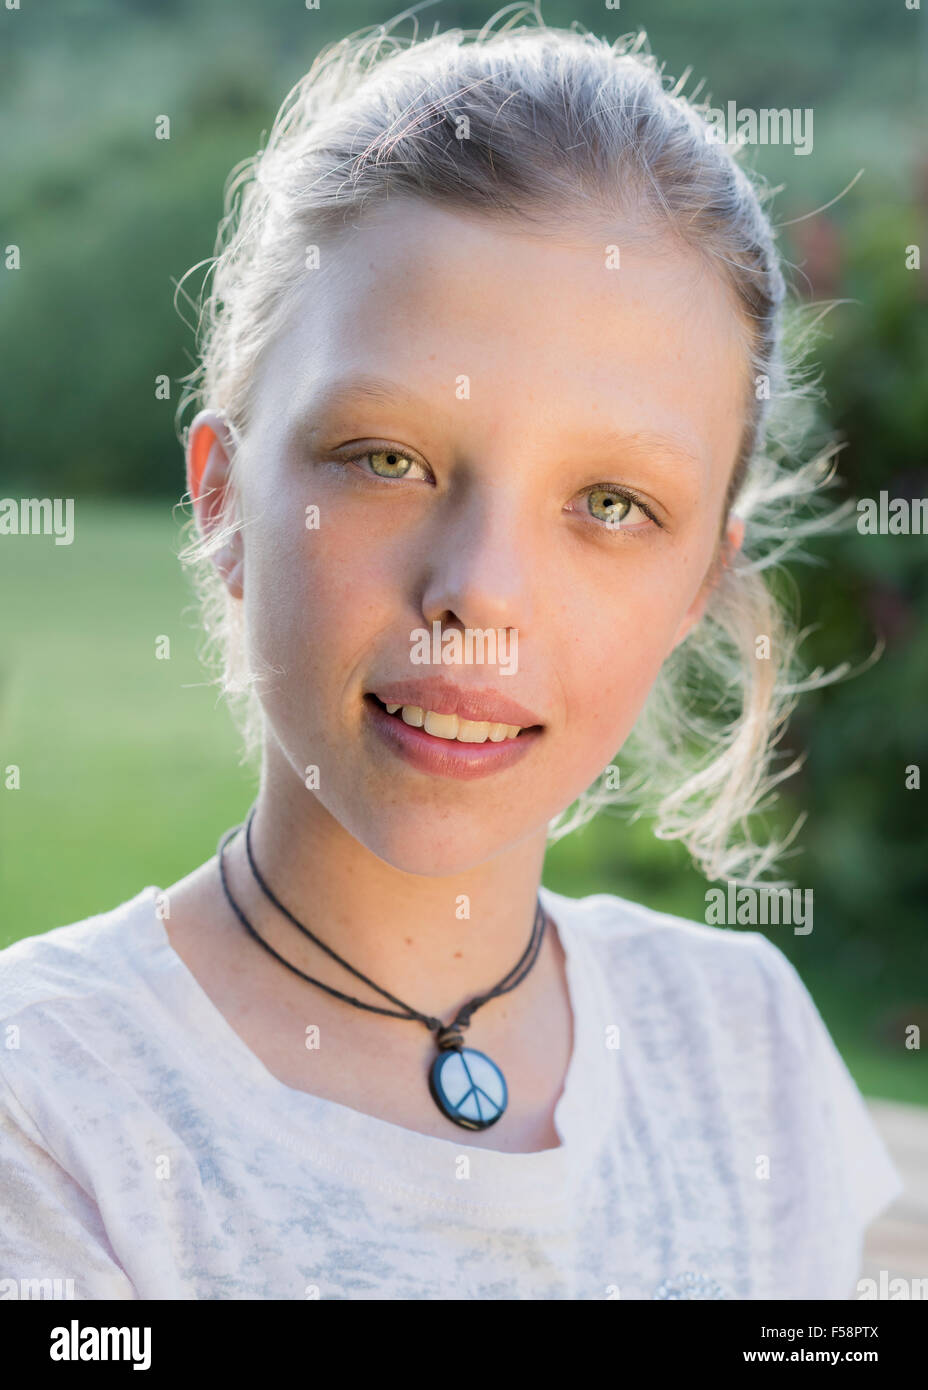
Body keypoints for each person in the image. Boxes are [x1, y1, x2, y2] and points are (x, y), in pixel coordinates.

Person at [0, 10, 902, 1300]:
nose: (477, 591)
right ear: (223, 502)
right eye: (388, 459)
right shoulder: (46, 1106)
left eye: (610, 504)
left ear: (703, 578)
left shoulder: (740, 1040)